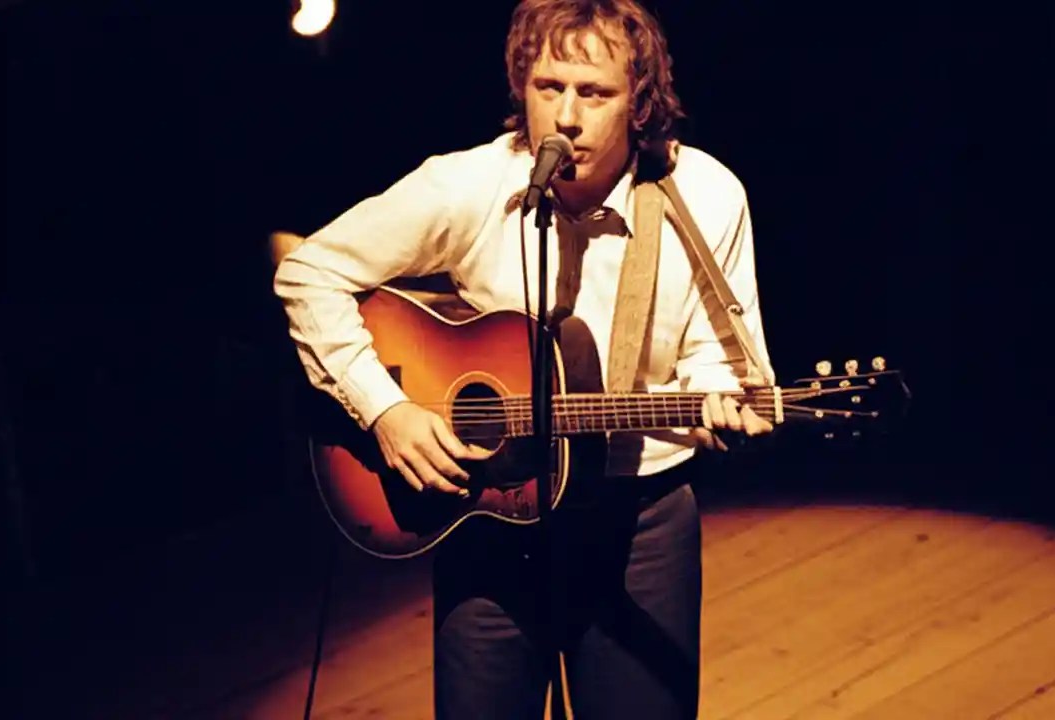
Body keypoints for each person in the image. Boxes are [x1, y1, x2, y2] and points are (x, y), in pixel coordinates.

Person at [272, 1, 776, 717]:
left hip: (638, 526)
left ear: (639, 103)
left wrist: (716, 409)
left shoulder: (706, 195)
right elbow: (308, 272)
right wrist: (384, 408)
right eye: (548, 87)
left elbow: (723, 369)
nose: (566, 116)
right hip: (489, 531)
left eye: (593, 93)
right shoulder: (466, 186)